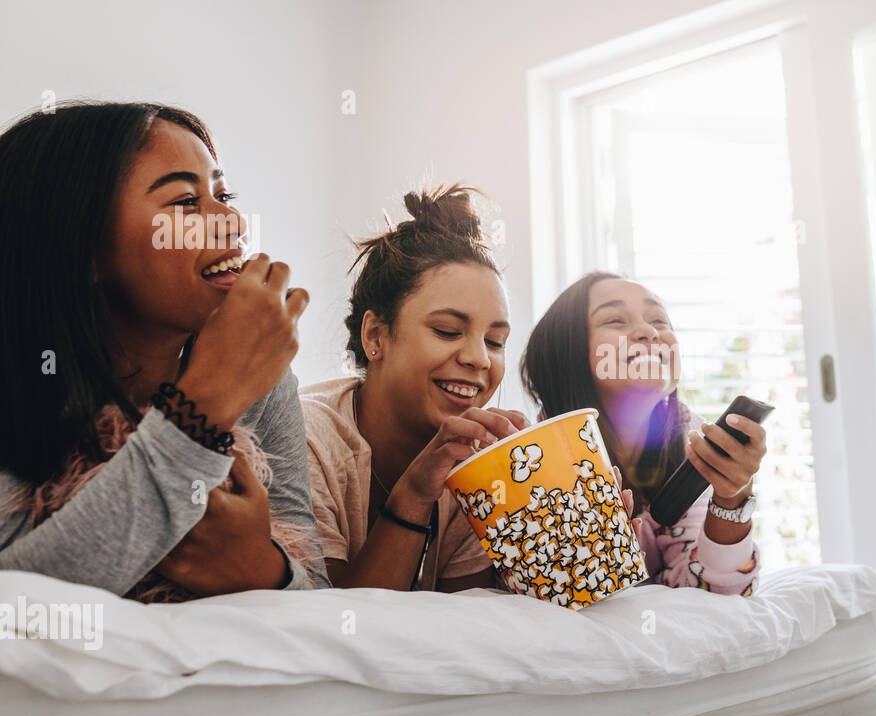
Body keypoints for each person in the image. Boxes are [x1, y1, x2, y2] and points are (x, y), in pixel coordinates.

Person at [0, 101, 328, 600]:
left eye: (224, 195)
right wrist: (200, 411)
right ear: (82, 251)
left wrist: (265, 569)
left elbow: (319, 597)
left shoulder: (264, 381)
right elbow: (17, 601)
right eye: (184, 203)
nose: (233, 221)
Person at [300, 184, 531, 592]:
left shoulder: (476, 466)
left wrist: (566, 537)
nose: (479, 358)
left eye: (495, 341)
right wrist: (414, 494)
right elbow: (338, 627)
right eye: (447, 330)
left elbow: (469, 624)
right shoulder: (307, 438)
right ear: (375, 335)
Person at [520, 271, 765, 596]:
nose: (649, 332)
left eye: (659, 321)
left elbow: (715, 596)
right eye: (615, 320)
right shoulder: (532, 459)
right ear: (567, 350)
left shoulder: (693, 440)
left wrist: (732, 498)